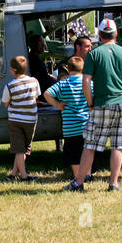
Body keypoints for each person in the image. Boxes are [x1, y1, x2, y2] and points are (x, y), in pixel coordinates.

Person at [66, 18, 122, 192]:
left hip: (101, 103)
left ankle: (78, 182)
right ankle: (113, 183)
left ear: (99, 35)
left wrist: (90, 103)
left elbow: (86, 81)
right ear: (116, 34)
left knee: (90, 145)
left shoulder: (94, 54)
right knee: (117, 145)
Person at [43, 56, 89, 186]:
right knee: (87, 150)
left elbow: (47, 93)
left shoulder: (63, 83)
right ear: (83, 68)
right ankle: (88, 174)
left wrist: (57, 105)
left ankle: (77, 175)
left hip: (70, 127)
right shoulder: (88, 82)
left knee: (74, 154)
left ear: (68, 69)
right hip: (87, 124)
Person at [2, 55, 41, 181]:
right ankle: (15, 174)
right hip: (31, 120)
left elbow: (6, 103)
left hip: (15, 120)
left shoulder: (9, 86)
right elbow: (36, 97)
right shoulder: (34, 81)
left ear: (13, 70)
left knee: (19, 149)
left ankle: (22, 176)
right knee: (24, 148)